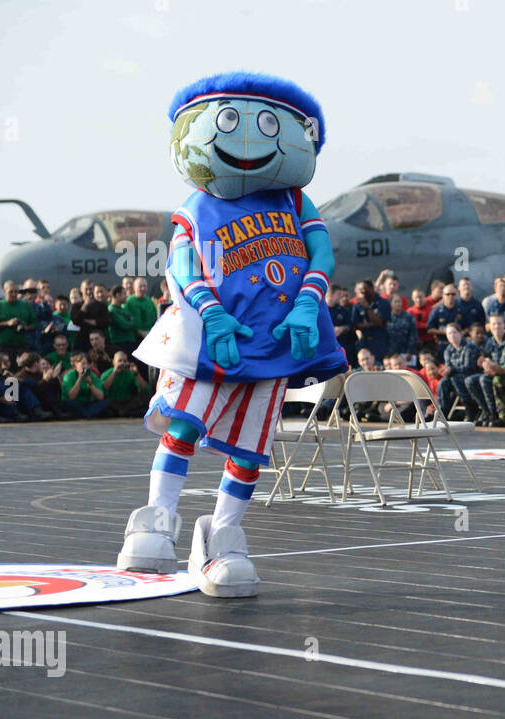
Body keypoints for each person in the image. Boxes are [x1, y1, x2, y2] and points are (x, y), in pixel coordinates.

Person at [117, 71, 347, 600]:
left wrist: (310, 302)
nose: (248, 140)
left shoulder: (293, 200)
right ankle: (156, 521)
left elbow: (323, 255)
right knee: (184, 423)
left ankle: (221, 537)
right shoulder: (197, 205)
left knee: (249, 449)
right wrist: (212, 313)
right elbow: (180, 266)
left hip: (279, 339)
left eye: (271, 127)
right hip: (211, 337)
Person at [436, 323, 481, 420]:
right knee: (443, 383)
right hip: (455, 377)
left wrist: (451, 370)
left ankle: (470, 408)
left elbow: (469, 367)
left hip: (471, 375)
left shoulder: (469, 347)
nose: (452, 335)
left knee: (456, 379)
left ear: (460, 333)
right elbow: (448, 366)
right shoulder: (448, 350)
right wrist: (445, 371)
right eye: (449, 334)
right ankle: (443, 411)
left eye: (454, 332)